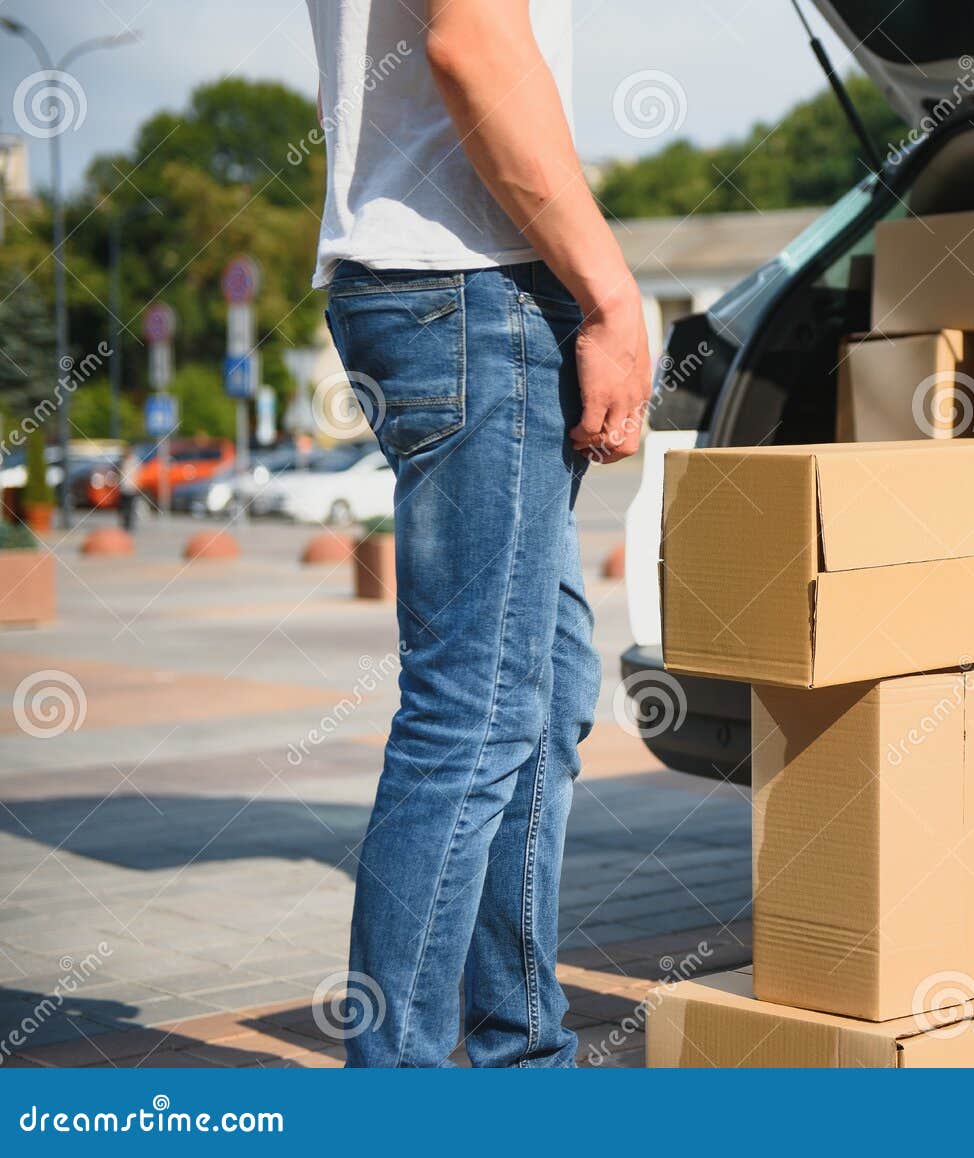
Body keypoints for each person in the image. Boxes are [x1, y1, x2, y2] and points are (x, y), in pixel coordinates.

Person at [304, 0, 652, 1067]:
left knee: (536, 699)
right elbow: (470, 40)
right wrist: (609, 294)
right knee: (479, 714)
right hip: (469, 285)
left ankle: (521, 1062)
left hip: (445, 287)